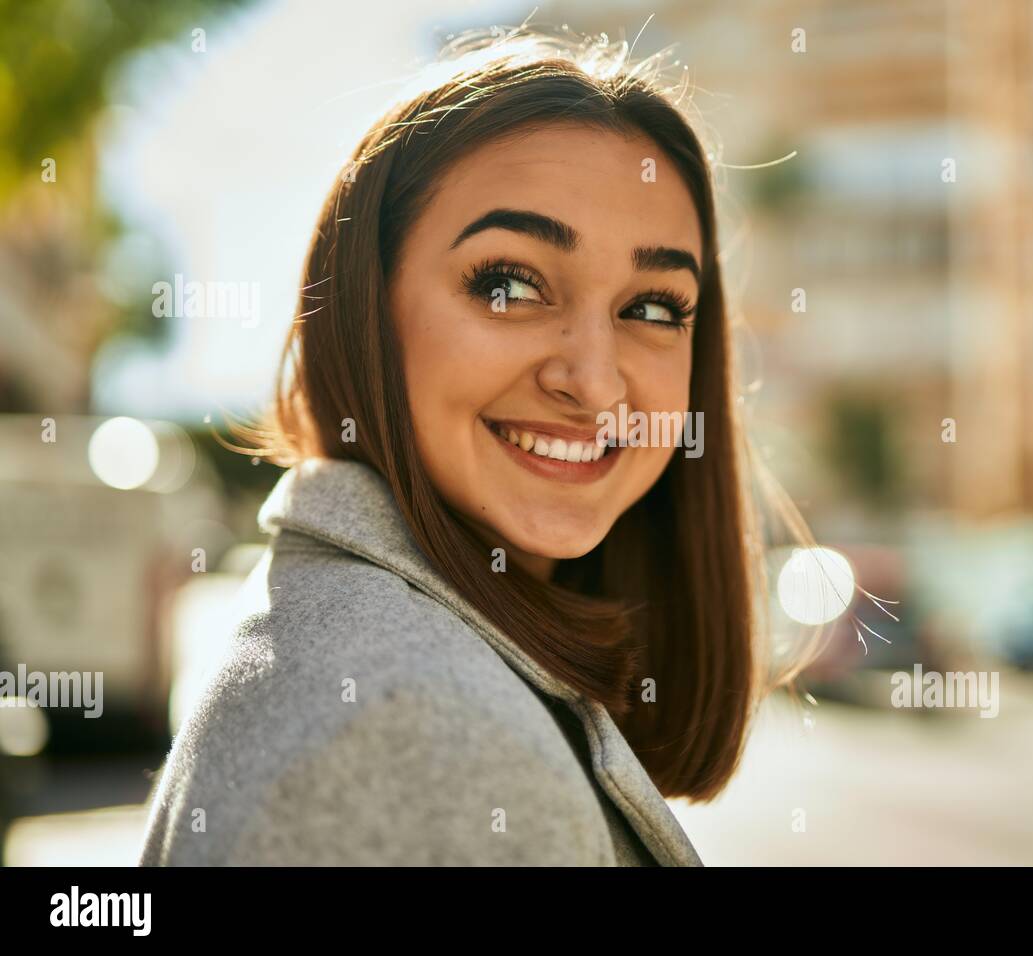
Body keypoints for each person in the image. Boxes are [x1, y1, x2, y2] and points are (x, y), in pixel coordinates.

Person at [139, 25, 819, 867]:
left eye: (652, 308)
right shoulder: (423, 737)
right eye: (509, 284)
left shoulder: (353, 640)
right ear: (365, 308)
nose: (596, 384)